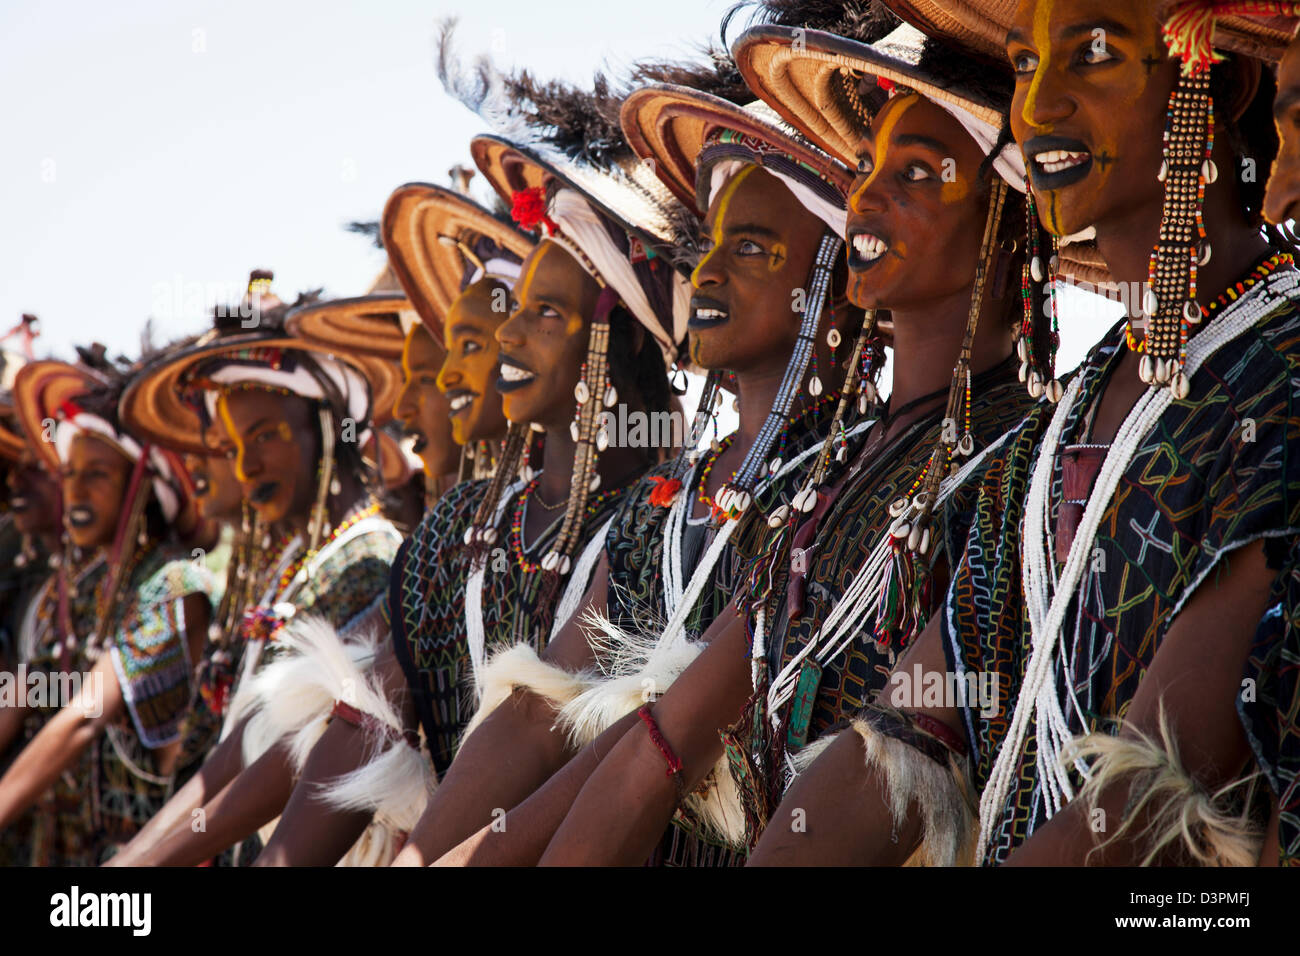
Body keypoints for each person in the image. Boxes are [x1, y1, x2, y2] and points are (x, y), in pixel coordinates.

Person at [751, 0, 1300, 868]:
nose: (1037, 106)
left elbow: (1155, 795)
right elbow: (918, 723)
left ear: (1215, 78)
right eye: (1022, 66)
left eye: (1091, 53)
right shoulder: (1061, 425)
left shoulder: (1284, 371)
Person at [498, 13, 1047, 867]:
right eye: (864, 171)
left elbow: (906, 761)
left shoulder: (1025, 461)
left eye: (914, 175)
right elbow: (662, 738)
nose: (865, 198)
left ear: (1008, 227)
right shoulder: (828, 476)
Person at [396, 52, 881, 866]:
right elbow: (542, 716)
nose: (710, 269)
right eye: (711, 246)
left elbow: (650, 745)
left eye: (754, 249)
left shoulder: (851, 493)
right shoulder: (661, 505)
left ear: (833, 288)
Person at [106, 278, 402, 866]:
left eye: (265, 436)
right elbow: (231, 750)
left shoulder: (373, 562)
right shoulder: (296, 563)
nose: (245, 466)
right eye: (236, 444)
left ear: (323, 429)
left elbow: (280, 746)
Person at [0, 354, 214, 865]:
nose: (76, 490)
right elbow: (27, 690)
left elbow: (85, 717)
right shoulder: (72, 591)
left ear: (142, 487)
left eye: (97, 474)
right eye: (70, 473)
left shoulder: (174, 584)